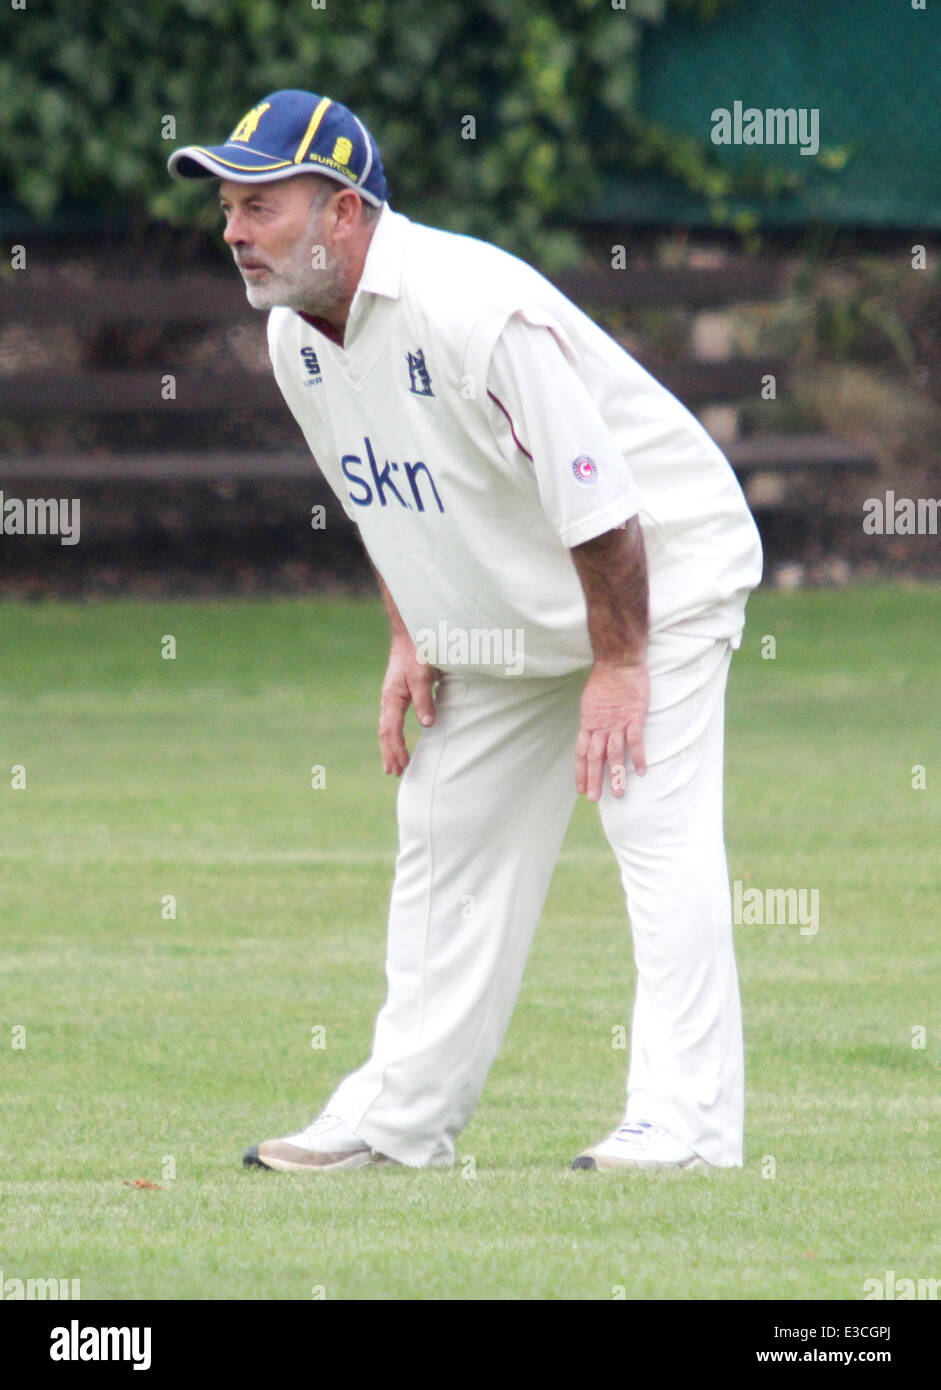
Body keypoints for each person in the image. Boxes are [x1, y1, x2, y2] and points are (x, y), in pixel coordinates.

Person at [168, 89, 763, 1174]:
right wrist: (415, 632)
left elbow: (604, 505)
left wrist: (620, 664)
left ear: (343, 210)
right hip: (504, 602)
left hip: (655, 572)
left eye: (259, 204)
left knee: (650, 823)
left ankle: (684, 1126)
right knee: (442, 831)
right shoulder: (292, 338)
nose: (234, 233)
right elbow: (386, 495)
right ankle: (399, 1120)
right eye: (227, 208)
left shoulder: (470, 307)